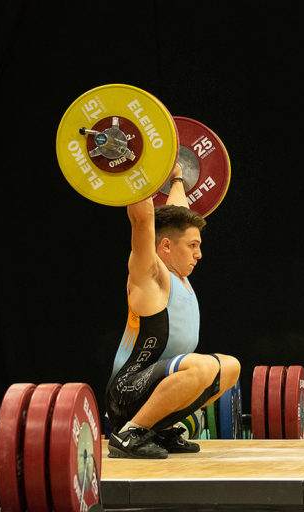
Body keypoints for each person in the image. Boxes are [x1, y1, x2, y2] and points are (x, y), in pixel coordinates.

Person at [105, 164, 241, 459]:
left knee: (230, 367)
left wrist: (176, 174)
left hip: (152, 387)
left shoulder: (180, 279)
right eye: (193, 246)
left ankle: (158, 429)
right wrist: (138, 165)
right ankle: (130, 434)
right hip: (126, 392)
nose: (199, 254)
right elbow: (142, 220)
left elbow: (179, 213)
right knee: (202, 366)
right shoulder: (151, 276)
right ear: (166, 246)